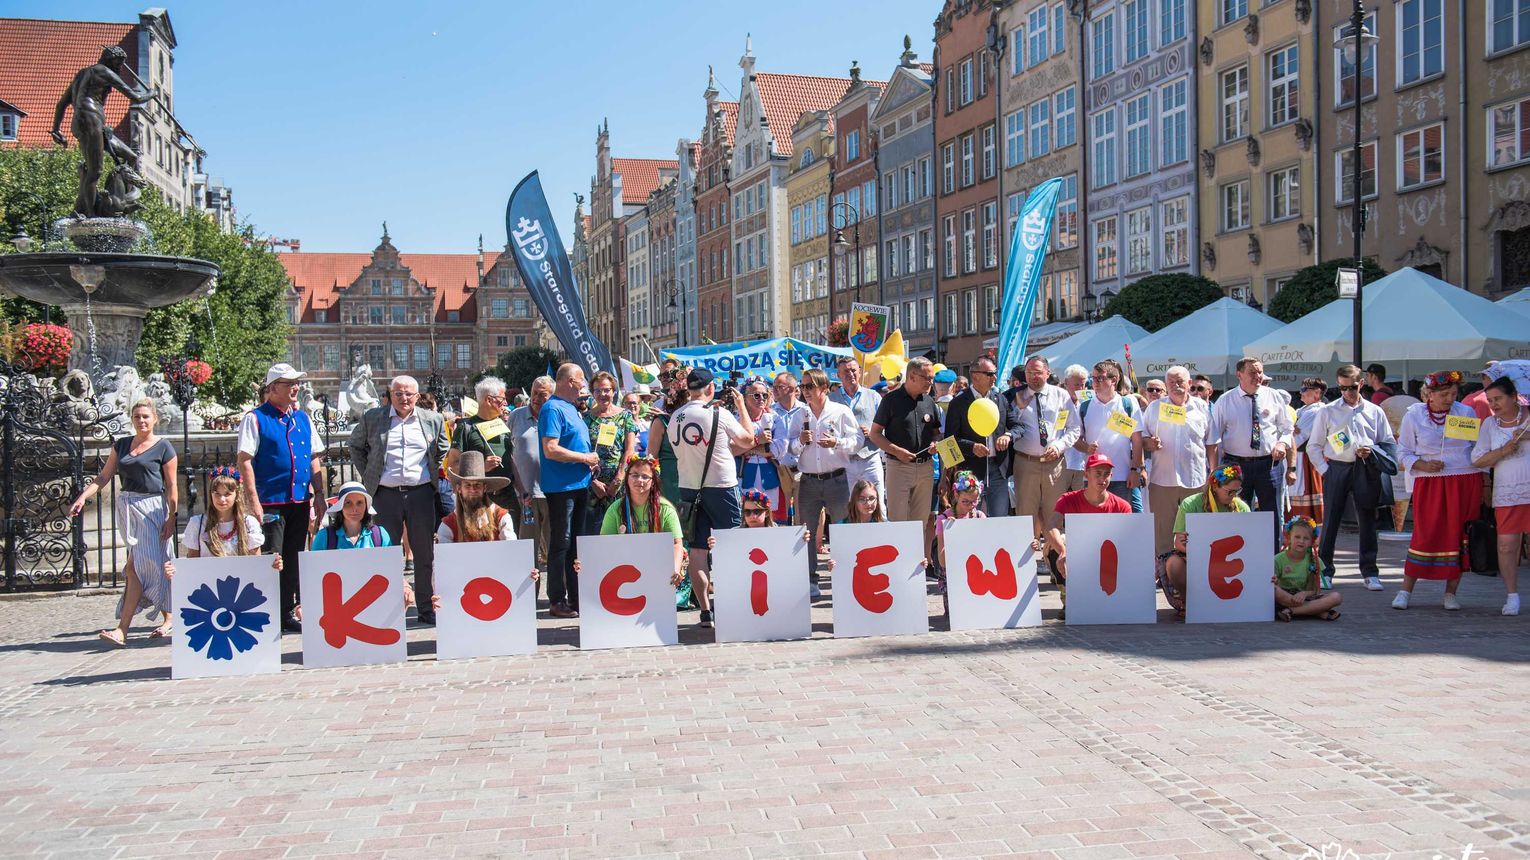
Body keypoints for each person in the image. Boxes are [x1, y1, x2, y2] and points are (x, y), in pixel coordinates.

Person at [70, 398, 177, 646]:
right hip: (127, 507)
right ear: (132, 419)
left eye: (146, 417)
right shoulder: (122, 445)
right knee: (147, 563)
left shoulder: (164, 447)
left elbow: (172, 487)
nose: (141, 420)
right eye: (137, 416)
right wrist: (82, 498)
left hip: (152, 508)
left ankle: (123, 629)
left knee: (138, 567)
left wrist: (171, 518)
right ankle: (169, 617)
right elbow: (104, 476)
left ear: (155, 419)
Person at [348, 374, 450, 623]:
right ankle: (389, 607)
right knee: (386, 552)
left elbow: (443, 447)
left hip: (421, 492)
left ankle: (426, 608)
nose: (403, 398)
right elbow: (354, 445)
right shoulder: (374, 418)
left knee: (425, 553)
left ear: (417, 396)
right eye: (398, 393)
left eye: (408, 394)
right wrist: (370, 474)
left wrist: (431, 469)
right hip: (385, 493)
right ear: (390, 395)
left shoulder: (432, 419)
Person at [237, 363, 325, 632]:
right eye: (289, 383)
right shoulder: (255, 418)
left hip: (299, 500)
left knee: (295, 555)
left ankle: (287, 609)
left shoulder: (303, 418)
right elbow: (244, 460)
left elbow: (314, 458)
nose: (296, 388)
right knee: (272, 557)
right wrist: (253, 499)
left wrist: (319, 494)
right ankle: (267, 609)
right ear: (273, 388)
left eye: (297, 383)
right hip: (271, 500)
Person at [668, 368, 756, 627]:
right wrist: (741, 406)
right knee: (729, 547)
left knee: (697, 551)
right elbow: (748, 439)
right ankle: (730, 607)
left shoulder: (676, 417)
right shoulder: (719, 413)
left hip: (689, 487)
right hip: (721, 485)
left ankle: (705, 611)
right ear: (709, 389)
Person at [1392, 371, 1484, 611]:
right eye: (1444, 394)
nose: (1449, 398)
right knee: (1425, 533)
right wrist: (1422, 464)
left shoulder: (1465, 412)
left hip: (1464, 480)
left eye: (1453, 394)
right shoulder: (1415, 415)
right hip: (1430, 482)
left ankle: (1451, 593)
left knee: (1458, 534)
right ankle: (1405, 590)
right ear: (1429, 395)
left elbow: (1477, 449)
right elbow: (1402, 453)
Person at [1308, 364, 1396, 591]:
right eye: (1343, 388)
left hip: (1365, 467)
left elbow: (1387, 442)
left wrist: (1372, 451)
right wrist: (1326, 471)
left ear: (1362, 384)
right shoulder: (1327, 411)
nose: (1347, 392)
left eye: (1352, 387)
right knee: (1331, 521)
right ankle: (1325, 570)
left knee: (1367, 520)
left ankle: (1370, 572)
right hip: (1337, 467)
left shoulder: (1374, 411)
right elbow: (1314, 446)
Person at [782, 368, 862, 596]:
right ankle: (810, 580)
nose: (805, 391)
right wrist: (800, 442)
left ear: (824, 388)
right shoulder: (800, 414)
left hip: (836, 478)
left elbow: (857, 441)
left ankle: (845, 577)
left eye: (810, 386)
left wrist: (836, 442)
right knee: (806, 532)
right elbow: (790, 447)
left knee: (841, 531)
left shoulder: (840, 411)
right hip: (808, 481)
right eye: (803, 386)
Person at [1035, 453, 1134, 620]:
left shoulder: (1122, 506)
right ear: (1086, 474)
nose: (1102, 478)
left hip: (1109, 559)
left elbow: (1131, 539)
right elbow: (1051, 526)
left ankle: (1114, 599)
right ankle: (1070, 598)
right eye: (1098, 473)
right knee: (1052, 546)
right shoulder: (1068, 499)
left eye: (1106, 474)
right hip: (1079, 554)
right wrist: (1063, 550)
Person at [298, 482, 412, 622]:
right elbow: (313, 574)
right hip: (336, 608)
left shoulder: (380, 535)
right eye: (348, 503)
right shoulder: (324, 537)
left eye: (359, 503)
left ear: (366, 506)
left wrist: (405, 587)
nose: (355, 509)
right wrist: (304, 605)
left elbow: (392, 570)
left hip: (374, 606)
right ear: (340, 507)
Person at [1206, 358, 1293, 538]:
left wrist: (1281, 443)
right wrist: (1214, 470)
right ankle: (1242, 558)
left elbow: (1287, 427)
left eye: (1260, 372)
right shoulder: (1225, 401)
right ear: (1239, 375)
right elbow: (1214, 437)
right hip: (1235, 465)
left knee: (1273, 515)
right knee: (1236, 512)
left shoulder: (1273, 396)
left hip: (1269, 464)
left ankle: (1273, 561)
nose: (1258, 376)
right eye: (1252, 373)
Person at [540, 363, 599, 619]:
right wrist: (584, 458)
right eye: (581, 380)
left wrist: (589, 464)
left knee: (576, 544)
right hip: (561, 487)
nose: (584, 385)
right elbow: (550, 449)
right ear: (569, 381)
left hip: (580, 484)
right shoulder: (552, 408)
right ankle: (556, 598)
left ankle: (575, 597)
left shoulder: (572, 409)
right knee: (561, 544)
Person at [1132, 366, 1210, 556]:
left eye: (1180, 381)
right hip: (1162, 479)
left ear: (1189, 383)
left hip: (1194, 479)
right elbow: (1141, 440)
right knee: (1163, 531)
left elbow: (1211, 443)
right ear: (1167, 385)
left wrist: (1213, 473)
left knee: (1195, 530)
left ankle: (1192, 570)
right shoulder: (1155, 408)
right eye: (1172, 382)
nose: (1176, 385)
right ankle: (1164, 572)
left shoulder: (1202, 408)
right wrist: (1149, 443)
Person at [1156, 464, 1252, 616]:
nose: (1234, 495)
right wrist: (1203, 553)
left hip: (1232, 562)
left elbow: (1251, 542)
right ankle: (1190, 602)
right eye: (1230, 491)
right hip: (1195, 559)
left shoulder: (1242, 507)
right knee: (1173, 564)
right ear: (1215, 486)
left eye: (1237, 491)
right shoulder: (1191, 503)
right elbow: (1179, 543)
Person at [1471, 376, 1530, 615]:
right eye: (1490, 400)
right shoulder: (1489, 425)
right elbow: (1477, 459)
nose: (1493, 404)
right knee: (1507, 546)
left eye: (1498, 399)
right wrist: (1503, 450)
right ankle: (1512, 596)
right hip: (1508, 491)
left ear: (1514, 397)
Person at [1008, 357, 1081, 533]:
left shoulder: (1060, 395)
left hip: (1054, 464)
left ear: (1047, 373)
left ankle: (1053, 558)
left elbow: (1075, 428)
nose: (1033, 377)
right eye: (1029, 372)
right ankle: (1026, 559)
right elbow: (1007, 424)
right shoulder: (1015, 396)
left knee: (1054, 514)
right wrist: (1019, 408)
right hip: (1025, 462)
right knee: (1025, 515)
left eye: (1038, 372)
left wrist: (1059, 445)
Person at [944, 356, 1020, 517]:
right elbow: (949, 441)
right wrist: (971, 447)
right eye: (989, 374)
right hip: (970, 471)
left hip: (998, 467)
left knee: (998, 518)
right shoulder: (958, 403)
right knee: (968, 517)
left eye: (995, 373)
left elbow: (1018, 426)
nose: (994, 378)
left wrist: (1008, 435)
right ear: (974, 375)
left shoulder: (1000, 399)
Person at [602, 457, 688, 596]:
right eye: (634, 475)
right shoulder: (615, 508)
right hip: (625, 568)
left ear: (653, 482)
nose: (639, 480)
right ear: (627, 478)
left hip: (658, 567)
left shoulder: (665, 508)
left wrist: (675, 569)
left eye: (645, 476)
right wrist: (586, 565)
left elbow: (676, 544)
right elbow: (603, 545)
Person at [871, 357, 941, 523]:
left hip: (926, 467)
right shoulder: (890, 400)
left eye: (932, 378)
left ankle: (917, 550)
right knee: (898, 521)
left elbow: (936, 432)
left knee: (921, 522)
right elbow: (875, 434)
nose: (931, 382)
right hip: (898, 467)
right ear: (911, 376)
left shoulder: (929, 401)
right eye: (927, 378)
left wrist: (935, 442)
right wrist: (896, 451)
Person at [1073, 359, 1141, 510]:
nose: (1095, 382)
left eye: (1100, 378)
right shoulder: (1085, 406)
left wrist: (1135, 470)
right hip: (1093, 477)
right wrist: (1086, 448)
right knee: (1095, 522)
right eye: (1093, 378)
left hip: (1122, 476)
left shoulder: (1127, 404)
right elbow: (1075, 439)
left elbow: (1137, 441)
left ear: (1114, 380)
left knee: (1122, 524)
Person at [507, 376, 553, 582]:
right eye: (534, 392)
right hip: (525, 494)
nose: (536, 398)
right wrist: (518, 487)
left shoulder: (555, 415)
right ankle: (527, 598)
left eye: (542, 394)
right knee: (527, 549)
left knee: (553, 546)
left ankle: (556, 594)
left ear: (551, 395)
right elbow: (508, 452)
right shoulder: (515, 417)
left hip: (552, 492)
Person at [448, 376, 517, 512]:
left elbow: (513, 460)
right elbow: (453, 466)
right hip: (478, 500)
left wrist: (523, 490)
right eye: (502, 399)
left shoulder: (504, 425)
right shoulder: (466, 427)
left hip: (508, 497)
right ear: (489, 400)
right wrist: (481, 467)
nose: (505, 403)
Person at [583, 371, 639, 534]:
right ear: (592, 393)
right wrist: (593, 482)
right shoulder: (585, 418)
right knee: (593, 533)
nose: (602, 394)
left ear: (614, 391)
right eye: (597, 390)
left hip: (619, 484)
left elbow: (629, 450)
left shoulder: (625, 415)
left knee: (621, 531)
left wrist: (618, 479)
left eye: (606, 390)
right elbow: (581, 451)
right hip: (593, 485)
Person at [830, 357, 886, 507]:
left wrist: (873, 432)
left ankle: (879, 530)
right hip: (844, 462)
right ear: (838, 375)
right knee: (850, 506)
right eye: (846, 371)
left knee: (877, 503)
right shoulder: (831, 400)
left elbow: (886, 426)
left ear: (860, 372)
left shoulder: (873, 396)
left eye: (853, 370)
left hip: (870, 458)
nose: (850, 374)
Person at [737, 379, 788, 523]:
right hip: (743, 475)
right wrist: (759, 440)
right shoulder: (735, 419)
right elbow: (732, 448)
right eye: (756, 395)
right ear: (745, 398)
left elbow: (779, 449)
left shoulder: (775, 418)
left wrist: (749, 449)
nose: (761, 399)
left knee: (773, 518)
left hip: (770, 475)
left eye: (764, 395)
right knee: (748, 517)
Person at [1273, 517, 1343, 622]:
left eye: (1306, 538)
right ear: (1289, 538)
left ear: (1312, 541)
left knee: (1336, 597)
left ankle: (1291, 611)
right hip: (1285, 597)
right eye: (1297, 537)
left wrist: (1304, 593)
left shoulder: (1315, 560)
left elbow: (1316, 591)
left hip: (1305, 597)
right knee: (1273, 590)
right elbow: (1273, 584)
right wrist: (1275, 581)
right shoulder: (1278, 559)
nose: (1301, 541)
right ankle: (1316, 610)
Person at [1287, 378, 1328, 525]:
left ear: (1317, 393)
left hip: (1305, 460)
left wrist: (1290, 428)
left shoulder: (1317, 411)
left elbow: (1297, 437)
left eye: (1305, 390)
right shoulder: (1302, 410)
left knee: (1303, 495)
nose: (1301, 392)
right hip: (1297, 457)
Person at [935, 471, 986, 575]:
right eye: (965, 501)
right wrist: (950, 533)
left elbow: (987, 549)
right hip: (953, 574)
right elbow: (943, 562)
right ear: (956, 495)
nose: (970, 506)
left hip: (976, 570)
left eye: (974, 501)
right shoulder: (943, 519)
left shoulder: (979, 516)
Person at [647, 377, 687, 507]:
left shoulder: (700, 421)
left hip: (694, 482)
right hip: (669, 483)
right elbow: (651, 458)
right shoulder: (661, 421)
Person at [1059, 364, 1090, 491]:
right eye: (1077, 385)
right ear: (1066, 383)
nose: (1080, 388)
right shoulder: (1059, 403)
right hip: (1062, 464)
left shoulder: (1086, 404)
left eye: (1083, 384)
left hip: (1081, 464)